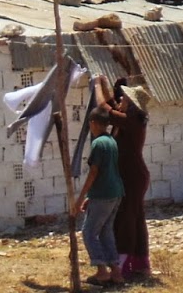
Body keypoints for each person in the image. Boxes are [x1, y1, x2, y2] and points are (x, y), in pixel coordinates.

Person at [98, 80, 153, 282]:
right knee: (135, 219)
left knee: (125, 219)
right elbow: (111, 103)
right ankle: (140, 264)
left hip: (133, 176)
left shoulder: (131, 121)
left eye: (125, 98)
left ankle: (120, 265)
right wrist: (103, 83)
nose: (121, 99)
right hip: (132, 175)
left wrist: (95, 85)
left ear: (131, 104)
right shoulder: (128, 118)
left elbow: (105, 108)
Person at [74, 107, 123, 286]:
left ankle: (102, 271)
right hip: (116, 192)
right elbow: (107, 171)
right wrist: (91, 196)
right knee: (106, 231)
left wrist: (80, 198)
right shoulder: (111, 141)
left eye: (90, 123)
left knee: (89, 232)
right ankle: (116, 271)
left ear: (94, 123)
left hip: (103, 194)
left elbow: (94, 172)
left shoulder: (98, 143)